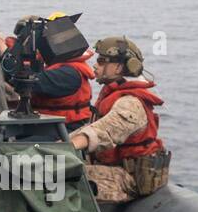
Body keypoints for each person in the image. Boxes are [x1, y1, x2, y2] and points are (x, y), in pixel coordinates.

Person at [69, 36, 168, 203]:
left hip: (128, 178)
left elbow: (105, 131)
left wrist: (66, 147)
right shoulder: (114, 96)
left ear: (118, 67)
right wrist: (57, 144)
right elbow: (94, 127)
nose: (95, 65)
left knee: (57, 176)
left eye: (101, 61)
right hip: (113, 168)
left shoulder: (131, 103)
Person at [3, 13, 96, 130]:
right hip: (49, 126)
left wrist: (2, 47)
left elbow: (27, 82)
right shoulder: (64, 68)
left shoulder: (68, 74)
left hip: (63, 130)